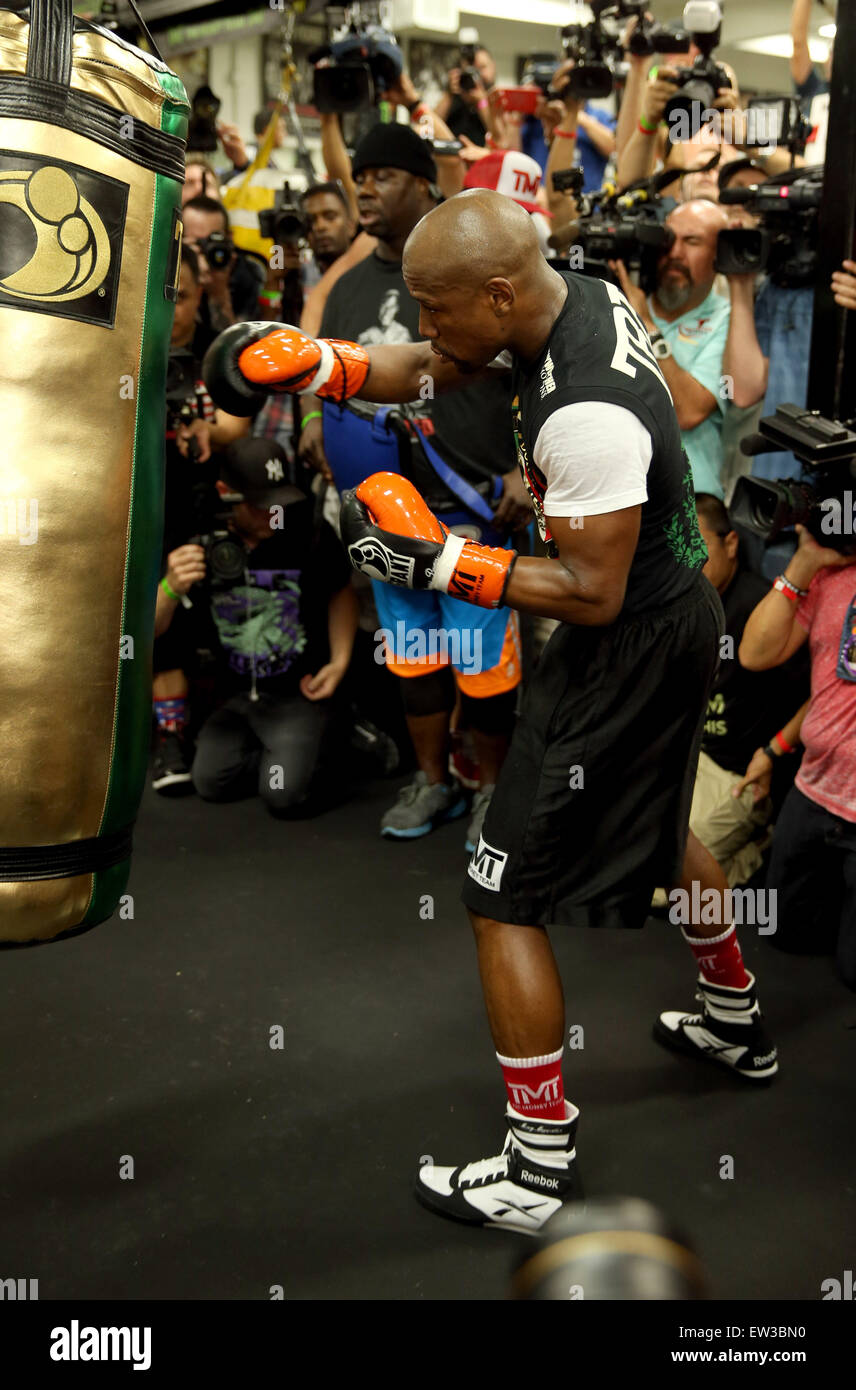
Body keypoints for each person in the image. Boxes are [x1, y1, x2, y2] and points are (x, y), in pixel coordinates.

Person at [204, 189, 779, 1237]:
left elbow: (589, 590)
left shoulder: (586, 411)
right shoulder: (576, 295)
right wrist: (321, 362)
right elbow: (438, 366)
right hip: (669, 612)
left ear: (501, 291)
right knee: (666, 832)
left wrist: (443, 560)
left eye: (435, 305)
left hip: (627, 635)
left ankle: (535, 1166)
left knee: (498, 892)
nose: (423, 329)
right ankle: (736, 1023)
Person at [297, 124, 528, 852]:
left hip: (473, 504)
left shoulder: (471, 265)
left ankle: (492, 789)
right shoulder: (350, 286)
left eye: (384, 175)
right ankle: (435, 780)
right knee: (413, 657)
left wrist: (530, 467)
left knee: (480, 661)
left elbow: (529, 368)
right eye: (359, 176)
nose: (364, 187)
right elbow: (331, 371)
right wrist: (315, 419)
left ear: (427, 184)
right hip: (384, 516)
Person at [155, 439, 358, 815]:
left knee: (284, 796)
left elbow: (340, 591)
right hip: (233, 696)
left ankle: (333, 742)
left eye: (277, 501)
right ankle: (289, 754)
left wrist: (339, 662)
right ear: (225, 494)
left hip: (297, 692)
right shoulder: (193, 530)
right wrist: (169, 587)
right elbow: (149, 634)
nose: (272, 513)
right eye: (260, 505)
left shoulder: (305, 525)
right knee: (211, 783)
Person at [739, 523, 856, 988]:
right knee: (782, 932)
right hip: (813, 791)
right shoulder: (831, 574)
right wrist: (803, 564)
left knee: (851, 973)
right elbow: (754, 653)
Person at [153, 246, 250, 794]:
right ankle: (170, 736)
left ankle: (240, 722)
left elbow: (242, 421)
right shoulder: (130, 353)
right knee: (160, 611)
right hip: (146, 504)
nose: (175, 309)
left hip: (211, 499)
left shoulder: (218, 352)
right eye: (166, 297)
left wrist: (209, 432)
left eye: (184, 297)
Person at [610, 200, 732, 499]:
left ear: (719, 255)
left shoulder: (728, 319)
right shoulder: (615, 306)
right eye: (668, 239)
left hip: (691, 506)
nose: (675, 253)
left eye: (692, 242)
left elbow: (688, 411)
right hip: (618, 498)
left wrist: (647, 326)